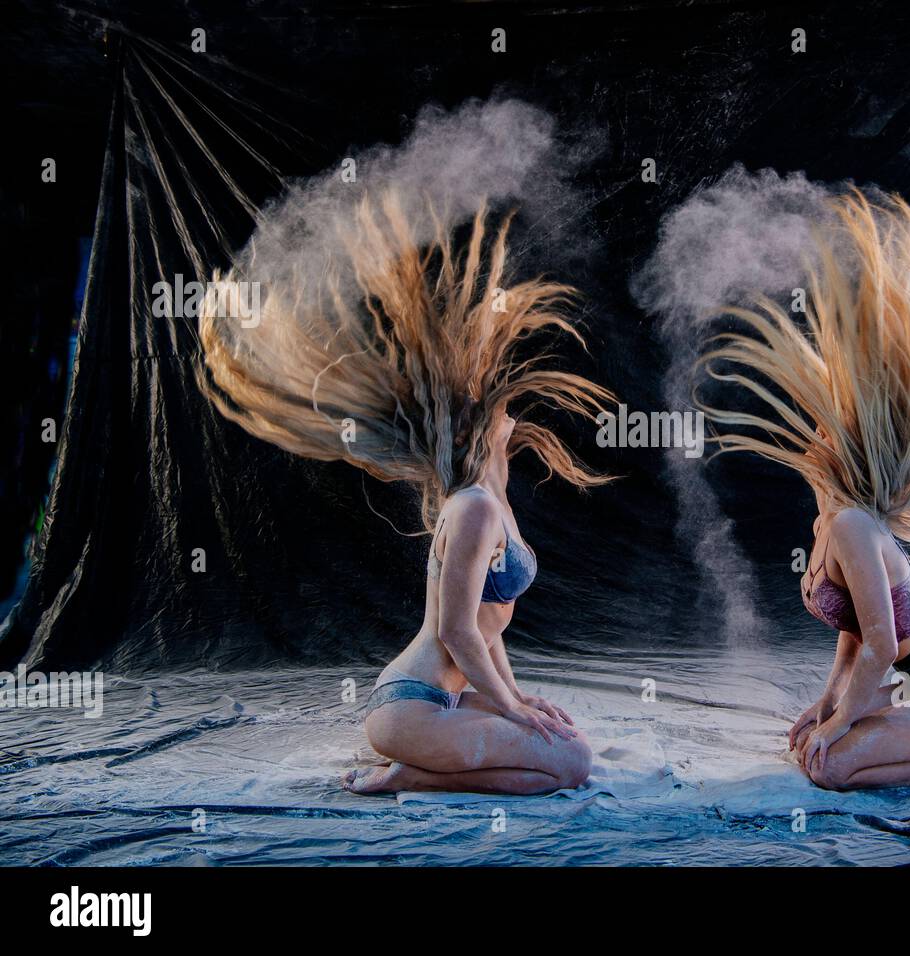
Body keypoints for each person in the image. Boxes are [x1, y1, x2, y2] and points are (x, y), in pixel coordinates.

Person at [199, 193, 610, 794]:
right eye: (496, 407)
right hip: (410, 705)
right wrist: (509, 709)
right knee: (567, 768)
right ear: (476, 429)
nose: (509, 411)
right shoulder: (471, 508)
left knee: (569, 747)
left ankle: (420, 765)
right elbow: (457, 633)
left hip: (442, 699)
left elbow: (489, 633)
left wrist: (517, 697)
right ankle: (408, 776)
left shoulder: (491, 499)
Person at [698, 189, 910, 790]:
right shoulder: (829, 525)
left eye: (822, 433)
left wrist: (842, 724)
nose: (811, 439)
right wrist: (828, 704)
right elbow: (855, 633)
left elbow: (883, 645)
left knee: (828, 765)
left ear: (837, 449)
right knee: (810, 743)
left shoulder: (852, 526)